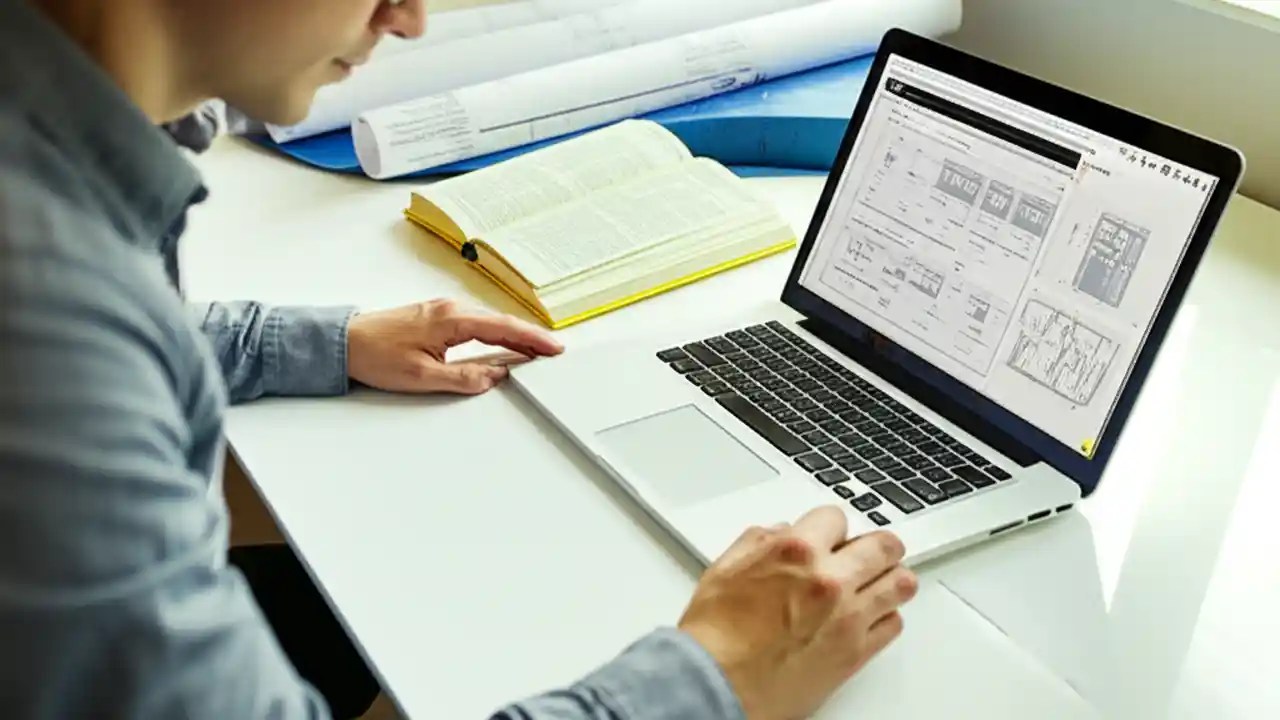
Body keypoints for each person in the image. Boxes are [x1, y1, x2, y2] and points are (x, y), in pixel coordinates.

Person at [0, 1, 919, 718]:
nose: (410, 21)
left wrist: (327, 340)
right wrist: (721, 676)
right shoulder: (51, 318)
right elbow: (71, 356)